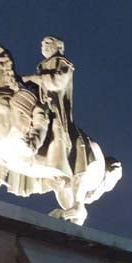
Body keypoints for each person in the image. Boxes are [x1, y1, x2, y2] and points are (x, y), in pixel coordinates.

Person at [23, 36, 94, 180]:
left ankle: (49, 156)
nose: (43, 46)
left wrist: (32, 78)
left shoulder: (63, 63)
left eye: (48, 43)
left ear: (58, 46)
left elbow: (56, 82)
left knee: (52, 125)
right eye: (42, 44)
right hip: (40, 101)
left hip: (54, 106)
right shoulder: (42, 65)